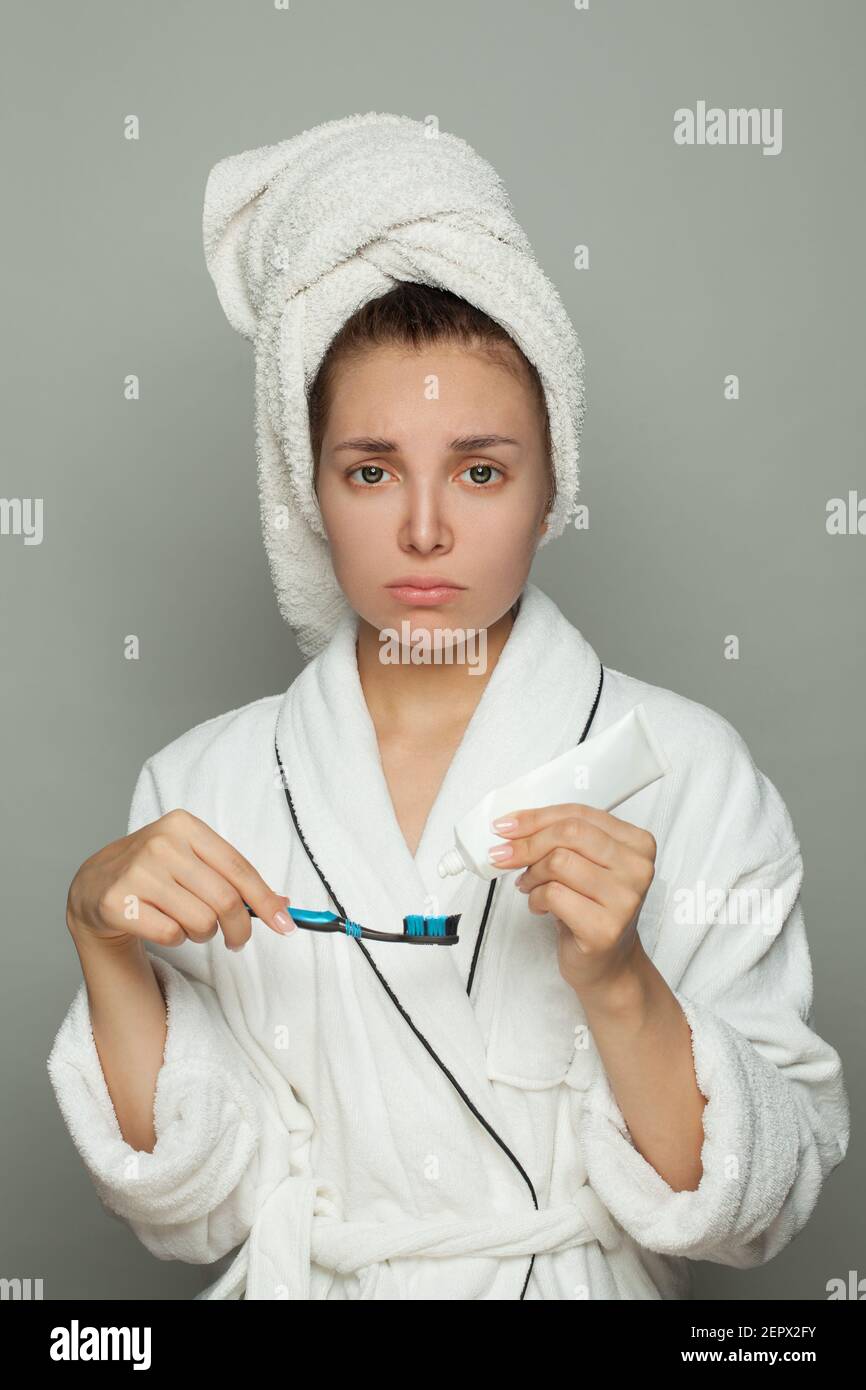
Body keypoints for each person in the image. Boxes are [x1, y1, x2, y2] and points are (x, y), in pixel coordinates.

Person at [47, 115, 849, 1301]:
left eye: (480, 469)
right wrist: (101, 940)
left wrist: (619, 977)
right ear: (307, 489)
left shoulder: (686, 768)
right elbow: (191, 1201)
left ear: (549, 483)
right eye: (370, 469)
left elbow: (754, 1212)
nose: (424, 528)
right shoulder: (202, 784)